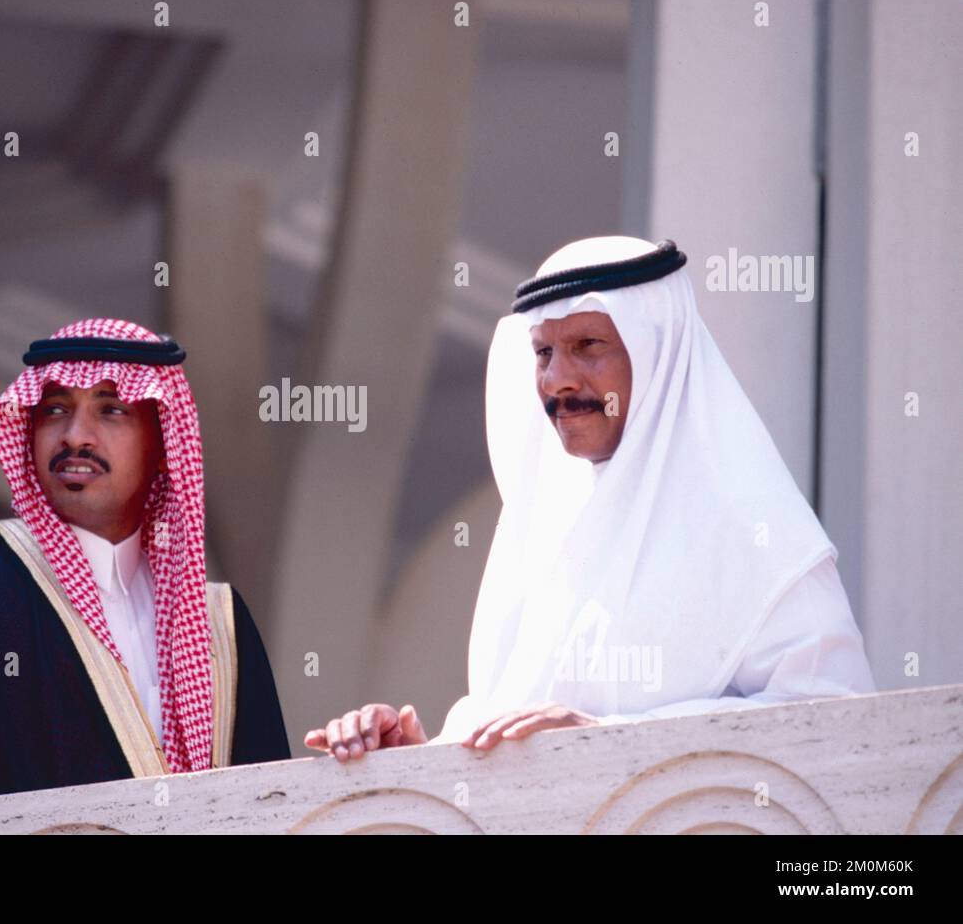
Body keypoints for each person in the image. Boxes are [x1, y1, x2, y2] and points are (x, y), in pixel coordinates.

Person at [305, 236, 875, 761]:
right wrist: (416, 757)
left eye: (588, 346)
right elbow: (514, 743)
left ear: (658, 355)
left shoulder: (753, 529)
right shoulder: (540, 530)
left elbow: (840, 730)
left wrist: (608, 745)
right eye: (544, 353)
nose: (558, 380)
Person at [0, 317, 288, 810]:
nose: (74, 436)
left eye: (111, 409)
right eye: (54, 410)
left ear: (162, 444)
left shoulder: (223, 627)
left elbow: (273, 808)